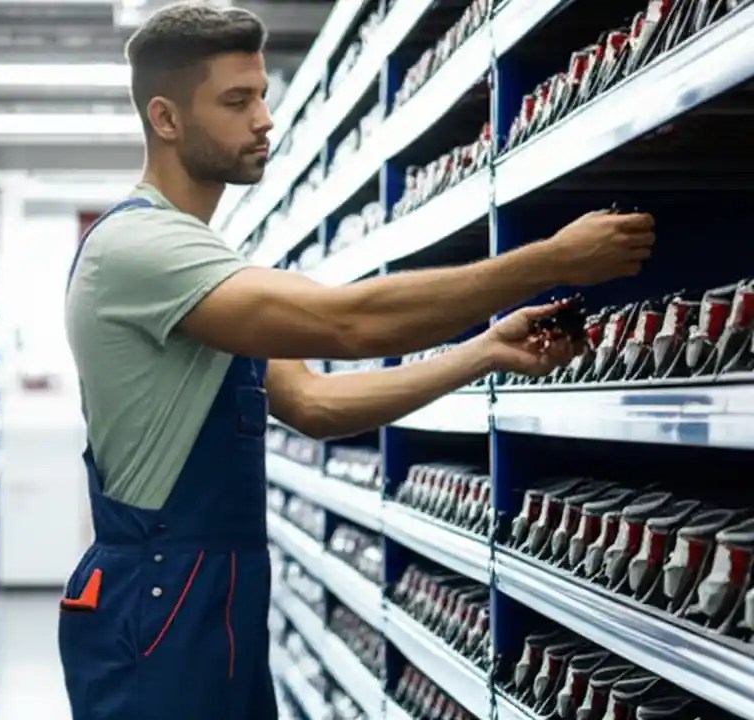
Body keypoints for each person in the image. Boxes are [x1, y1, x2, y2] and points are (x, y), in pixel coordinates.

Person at [58, 3, 656, 718]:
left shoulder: (197, 259)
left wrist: (484, 352)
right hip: (162, 598)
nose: (264, 120)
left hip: (212, 595)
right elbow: (345, 321)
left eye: (262, 97)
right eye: (235, 100)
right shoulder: (143, 250)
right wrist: (548, 261)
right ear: (166, 119)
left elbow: (313, 404)